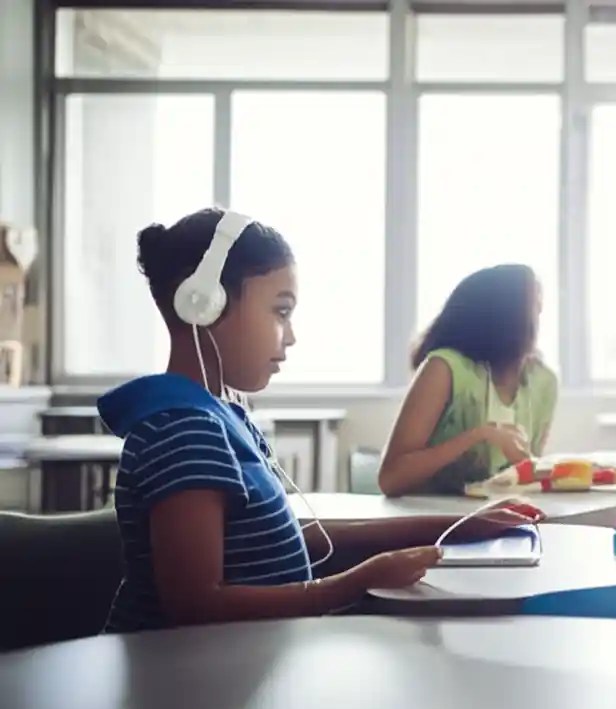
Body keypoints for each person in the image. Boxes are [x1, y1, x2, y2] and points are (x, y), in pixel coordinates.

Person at [98, 208, 537, 633]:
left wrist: (460, 527)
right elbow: (195, 606)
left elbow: (291, 537)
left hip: (241, 658)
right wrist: (355, 582)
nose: (290, 336)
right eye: (280, 311)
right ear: (206, 306)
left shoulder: (222, 415)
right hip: (189, 684)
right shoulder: (184, 429)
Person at [378, 265, 558, 496]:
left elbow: (528, 474)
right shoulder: (443, 368)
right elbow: (391, 479)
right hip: (431, 521)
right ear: (506, 315)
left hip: (502, 521)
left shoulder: (543, 381)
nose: (539, 317)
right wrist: (477, 436)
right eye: (534, 306)